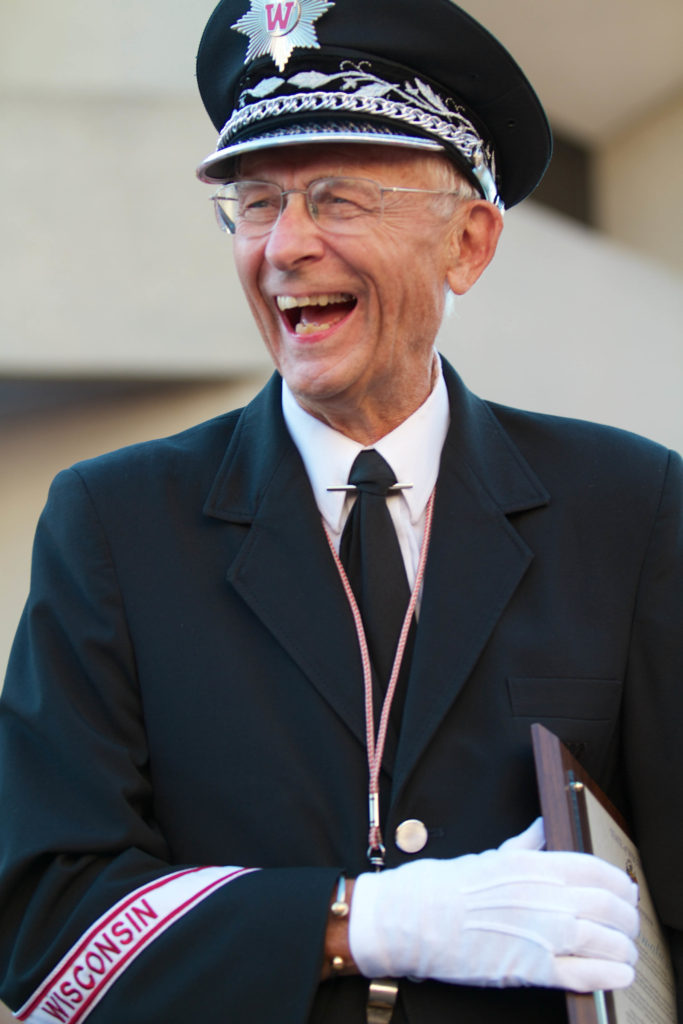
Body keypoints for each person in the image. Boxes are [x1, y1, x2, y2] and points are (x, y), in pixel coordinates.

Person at [0, 1, 681, 1022]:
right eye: (256, 201)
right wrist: (361, 919)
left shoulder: (629, 507)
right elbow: (44, 934)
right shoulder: (113, 522)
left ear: (468, 243)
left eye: (336, 197)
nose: (284, 246)